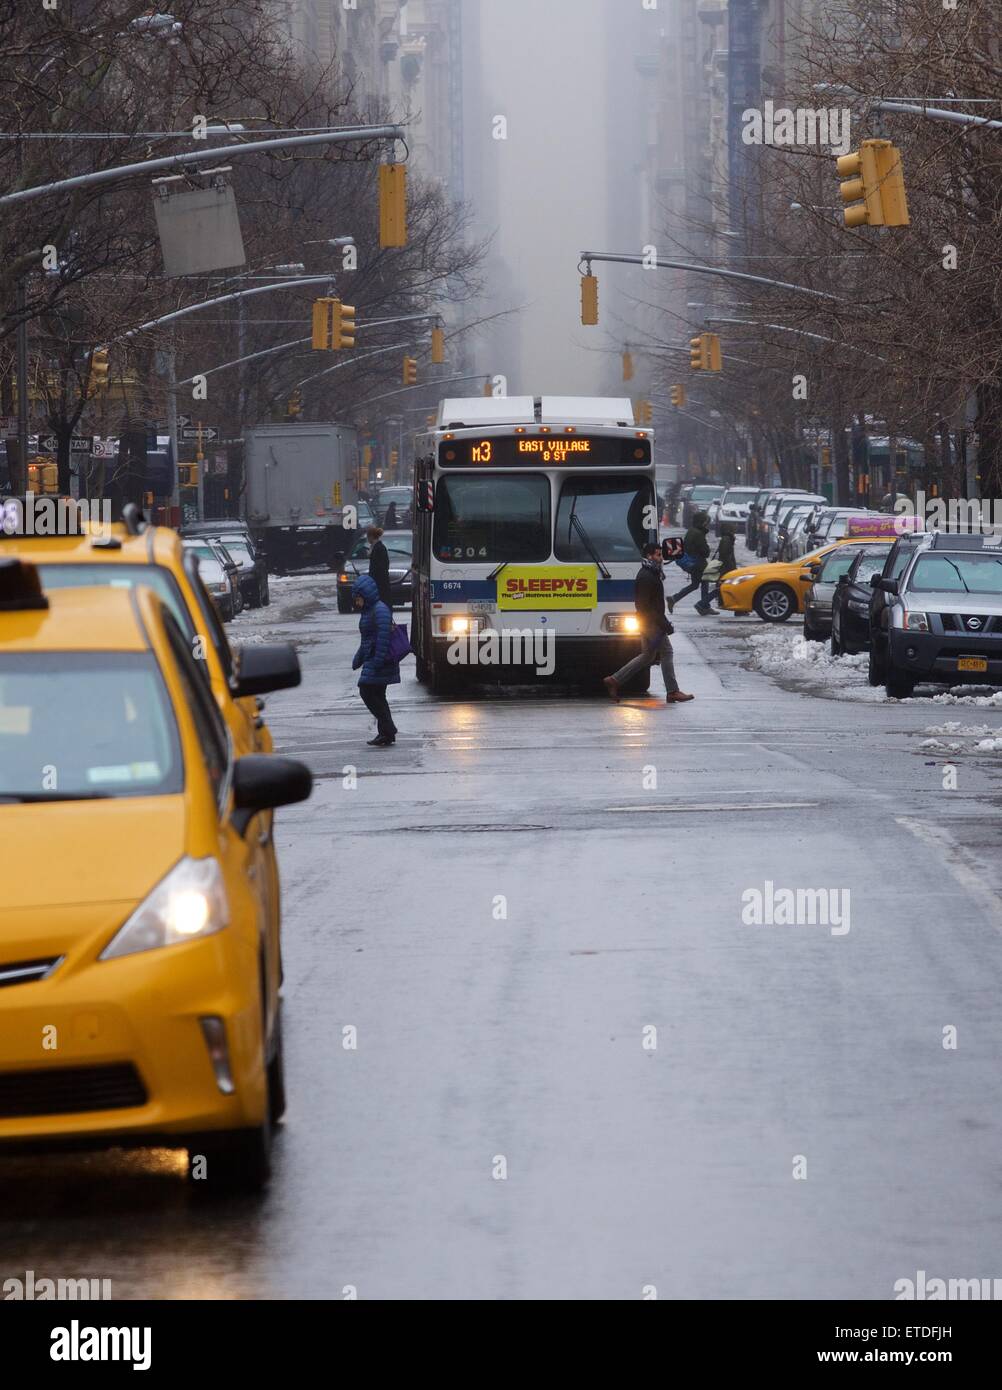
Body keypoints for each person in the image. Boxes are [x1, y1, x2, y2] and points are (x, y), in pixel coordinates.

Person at [603, 541, 694, 704]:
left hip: (648, 622)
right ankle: (672, 691)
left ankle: (614, 680)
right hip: (651, 623)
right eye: (658, 555)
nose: (661, 558)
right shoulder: (646, 576)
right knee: (667, 652)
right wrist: (663, 624)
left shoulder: (651, 573)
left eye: (660, 554)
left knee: (647, 656)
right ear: (649, 556)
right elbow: (644, 606)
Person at [351, 574, 400, 746]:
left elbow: (383, 637)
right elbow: (367, 639)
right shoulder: (369, 611)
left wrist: (378, 660)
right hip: (374, 659)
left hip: (380, 660)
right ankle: (386, 734)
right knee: (378, 696)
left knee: (367, 691)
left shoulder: (379, 610)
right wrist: (358, 659)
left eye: (358, 599)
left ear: (365, 595)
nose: (357, 603)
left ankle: (389, 728)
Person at [669, 508, 712, 611]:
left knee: (695, 585)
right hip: (698, 563)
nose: (707, 524)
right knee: (704, 583)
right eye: (706, 522)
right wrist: (707, 549)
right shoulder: (698, 534)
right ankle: (704, 606)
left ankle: (674, 598)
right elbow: (705, 552)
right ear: (702, 522)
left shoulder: (692, 531)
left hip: (693, 563)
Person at [695, 523, 738, 616]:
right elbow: (725, 555)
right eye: (733, 528)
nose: (735, 529)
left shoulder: (727, 538)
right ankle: (701, 604)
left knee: (723, 588)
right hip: (726, 569)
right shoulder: (726, 539)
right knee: (722, 588)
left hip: (726, 568)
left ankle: (738, 610)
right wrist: (732, 568)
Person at [366, 525, 393, 607]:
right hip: (379, 583)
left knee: (382, 604)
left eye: (368, 537)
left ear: (371, 537)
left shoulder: (379, 548)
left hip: (380, 584)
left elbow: (380, 567)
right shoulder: (376, 547)